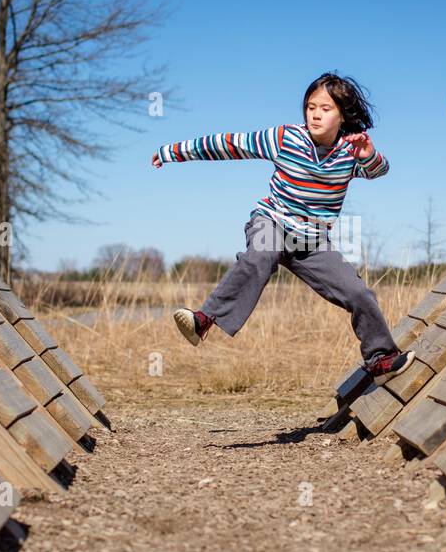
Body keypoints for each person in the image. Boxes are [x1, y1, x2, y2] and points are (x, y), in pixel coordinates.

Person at [150, 72, 413, 384]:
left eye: (326, 109)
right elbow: (229, 144)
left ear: (343, 115)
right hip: (271, 221)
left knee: (358, 292)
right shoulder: (285, 138)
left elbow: (378, 171)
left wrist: (369, 156)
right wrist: (172, 152)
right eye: (310, 106)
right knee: (261, 253)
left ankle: (380, 357)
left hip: (311, 241)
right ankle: (205, 319)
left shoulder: (348, 150)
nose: (315, 114)